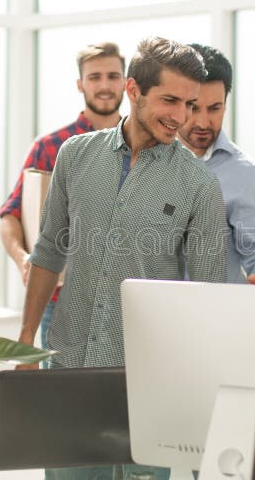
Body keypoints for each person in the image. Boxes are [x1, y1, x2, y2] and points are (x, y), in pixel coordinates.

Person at [19, 37, 227, 480]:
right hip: (70, 363)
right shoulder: (75, 156)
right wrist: (23, 347)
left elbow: (208, 295)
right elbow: (49, 251)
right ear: (134, 91)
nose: (181, 117)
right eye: (170, 100)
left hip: (151, 382)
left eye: (190, 104)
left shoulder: (200, 185)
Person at [0, 42, 125, 352]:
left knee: (123, 399)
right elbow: (11, 214)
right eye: (95, 77)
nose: (105, 85)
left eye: (113, 76)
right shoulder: (50, 147)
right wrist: (22, 258)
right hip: (62, 304)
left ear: (127, 82)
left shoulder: (146, 147)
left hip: (126, 303)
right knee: (62, 398)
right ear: (80, 84)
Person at [177, 43, 255, 285]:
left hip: (214, 317)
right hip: (146, 314)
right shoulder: (146, 164)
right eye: (194, 108)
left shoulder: (248, 176)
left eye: (215, 108)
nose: (204, 122)